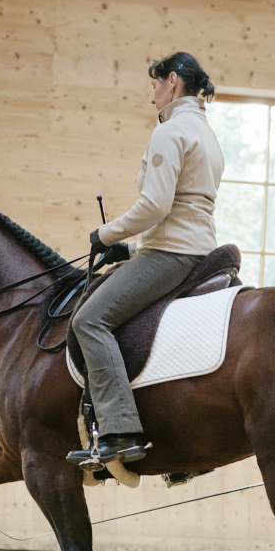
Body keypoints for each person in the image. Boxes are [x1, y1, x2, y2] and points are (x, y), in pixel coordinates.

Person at [68, 52, 224, 468]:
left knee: (88, 320)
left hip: (172, 255)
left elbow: (155, 206)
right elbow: (186, 212)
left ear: (172, 82)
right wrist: (131, 249)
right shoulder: (206, 133)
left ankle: (119, 431)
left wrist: (105, 234)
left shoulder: (171, 131)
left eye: (155, 85)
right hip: (192, 248)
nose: (152, 95)